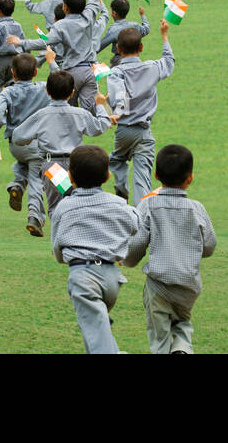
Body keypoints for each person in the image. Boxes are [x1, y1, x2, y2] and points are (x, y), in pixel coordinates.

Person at [122, 145, 214, 354]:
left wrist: (127, 260)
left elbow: (136, 245)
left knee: (160, 336)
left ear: (155, 175)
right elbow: (209, 246)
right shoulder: (197, 208)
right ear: (190, 178)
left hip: (158, 286)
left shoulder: (148, 206)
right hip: (188, 286)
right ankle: (181, 350)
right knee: (182, 323)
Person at [50, 145, 139, 354]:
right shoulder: (118, 203)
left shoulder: (64, 206)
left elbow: (57, 245)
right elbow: (136, 223)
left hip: (83, 276)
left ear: (70, 176)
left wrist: (62, 258)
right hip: (112, 278)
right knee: (95, 331)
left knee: (97, 337)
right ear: (108, 176)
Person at [10, 70, 113, 236]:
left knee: (56, 207)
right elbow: (100, 126)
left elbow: (18, 136)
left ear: (47, 92)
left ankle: (61, 243)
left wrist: (32, 140)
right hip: (76, 165)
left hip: (52, 166)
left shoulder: (41, 115)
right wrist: (100, 105)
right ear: (72, 92)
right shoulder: (80, 113)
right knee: (77, 203)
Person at [10, 0, 106, 111]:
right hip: (89, 71)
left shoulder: (60, 26)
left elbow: (43, 42)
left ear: (65, 8)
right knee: (90, 112)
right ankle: (106, 117)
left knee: (69, 111)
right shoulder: (89, 15)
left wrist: (21, 42)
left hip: (71, 73)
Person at [107, 20, 175, 203]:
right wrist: (164, 35)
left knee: (117, 159)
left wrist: (117, 111)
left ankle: (121, 188)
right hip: (143, 131)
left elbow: (119, 97)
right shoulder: (151, 67)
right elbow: (169, 61)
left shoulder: (115, 73)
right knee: (142, 177)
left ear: (118, 49)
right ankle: (143, 216)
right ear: (142, 47)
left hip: (122, 130)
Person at [0, 51, 57, 230]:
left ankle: (17, 184)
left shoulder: (8, 92)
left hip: (16, 145)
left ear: (12, 72)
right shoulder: (43, 88)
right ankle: (34, 216)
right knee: (36, 178)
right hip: (37, 144)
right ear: (35, 72)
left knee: (22, 164)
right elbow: (58, 81)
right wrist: (51, 62)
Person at [98, 0, 150, 66]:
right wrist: (142, 15)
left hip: (119, 61)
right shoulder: (135, 26)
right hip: (135, 60)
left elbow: (99, 46)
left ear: (114, 13)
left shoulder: (113, 29)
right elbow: (147, 29)